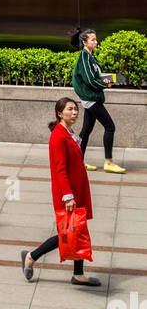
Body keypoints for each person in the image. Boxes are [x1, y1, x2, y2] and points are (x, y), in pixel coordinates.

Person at [21, 97, 101, 287]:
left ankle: (78, 273)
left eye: (76, 109)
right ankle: (32, 256)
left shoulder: (68, 132)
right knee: (68, 232)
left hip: (76, 190)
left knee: (77, 230)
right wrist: (69, 196)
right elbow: (60, 169)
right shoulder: (58, 136)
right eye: (70, 109)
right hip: (68, 193)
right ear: (59, 113)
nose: (74, 112)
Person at [70, 26, 125, 173]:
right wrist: (104, 84)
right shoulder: (84, 57)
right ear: (85, 42)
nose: (96, 42)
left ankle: (77, 162)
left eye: (95, 39)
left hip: (92, 98)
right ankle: (109, 162)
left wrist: (107, 80)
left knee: (86, 130)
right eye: (93, 39)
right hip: (91, 99)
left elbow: (95, 77)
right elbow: (89, 80)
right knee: (110, 127)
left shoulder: (90, 57)